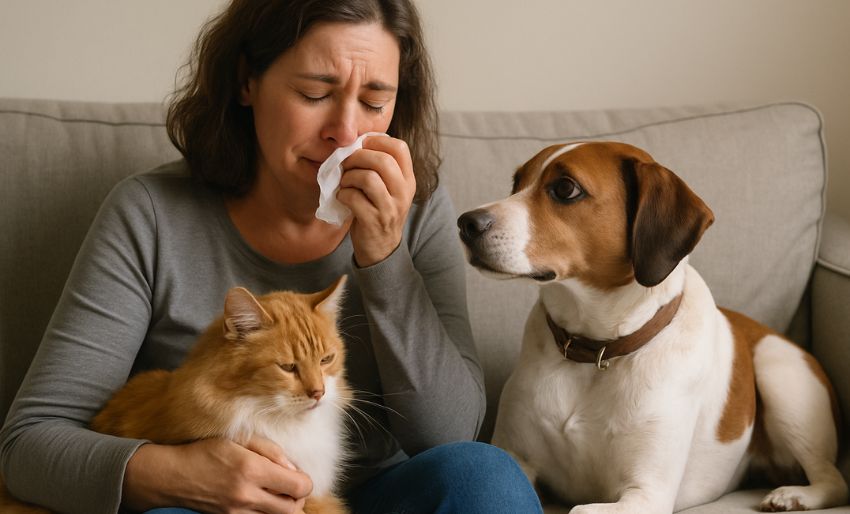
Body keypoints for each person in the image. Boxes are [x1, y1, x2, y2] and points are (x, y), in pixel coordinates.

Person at [0, 1, 544, 513]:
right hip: (214, 501)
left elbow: (450, 435)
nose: (346, 132)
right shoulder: (149, 214)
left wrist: (384, 257)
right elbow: (28, 445)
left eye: (375, 101)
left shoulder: (420, 208)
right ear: (246, 82)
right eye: (314, 93)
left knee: (485, 475)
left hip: (376, 491)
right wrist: (174, 472)